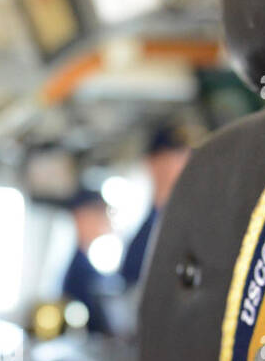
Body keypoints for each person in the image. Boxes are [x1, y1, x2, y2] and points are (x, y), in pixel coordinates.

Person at [120, 124, 192, 287]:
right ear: (152, 163)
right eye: (173, 157)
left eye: (184, 156)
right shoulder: (146, 234)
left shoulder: (194, 219)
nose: (182, 164)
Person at [61, 188, 121, 336]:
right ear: (81, 217)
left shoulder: (81, 264)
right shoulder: (80, 269)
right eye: (100, 215)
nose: (106, 223)